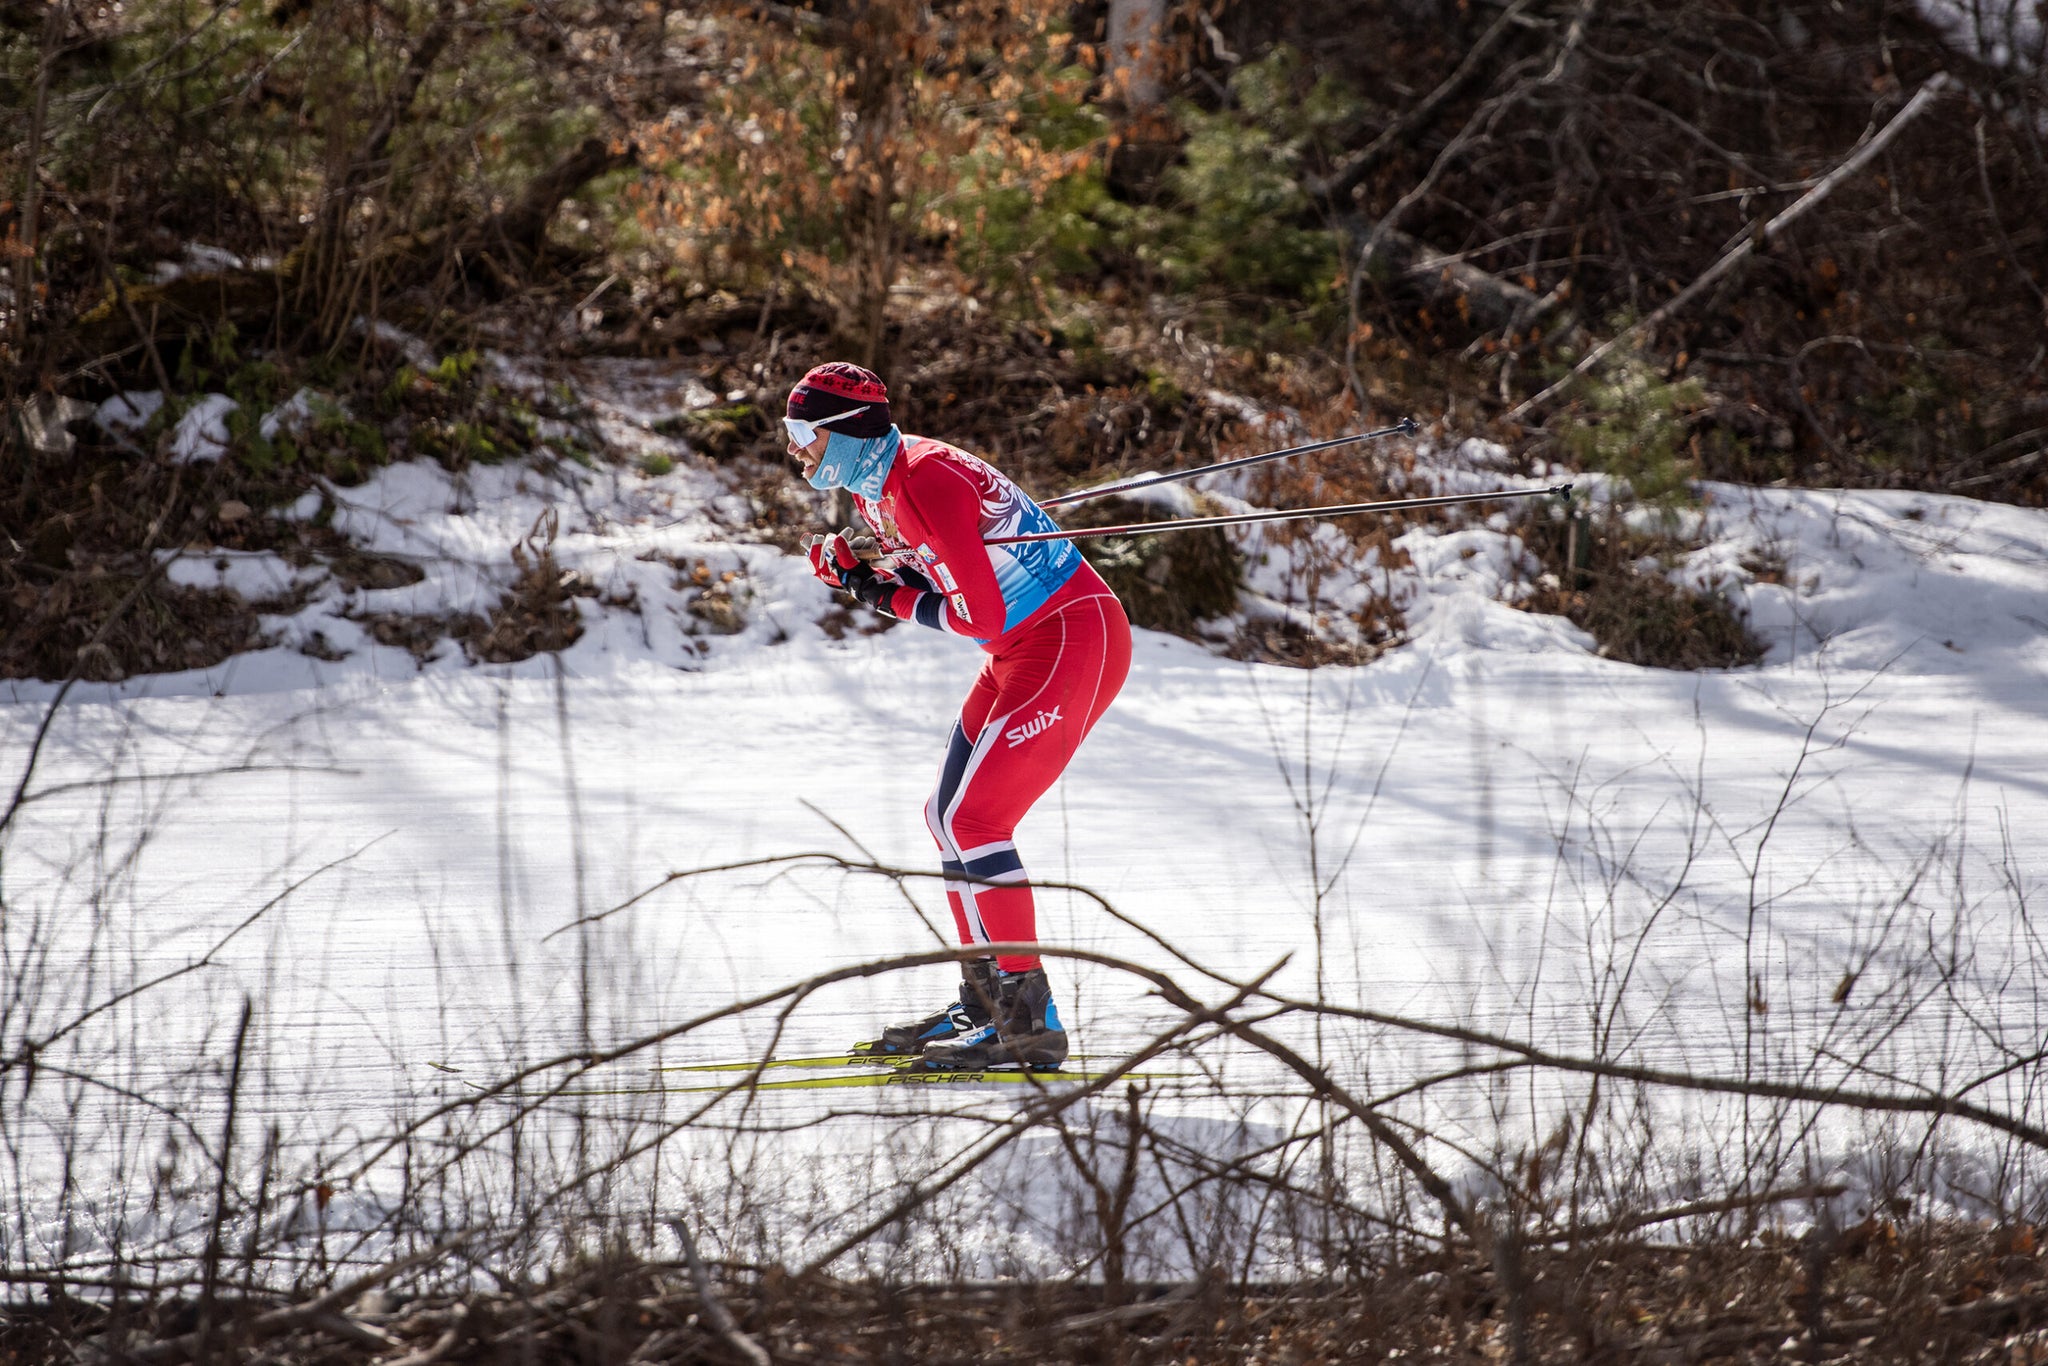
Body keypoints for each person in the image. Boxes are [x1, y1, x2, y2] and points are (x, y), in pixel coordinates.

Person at [785, 362, 1132, 1071]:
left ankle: (1030, 1025)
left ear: (846, 431)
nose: (794, 449)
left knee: (977, 821)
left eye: (801, 432)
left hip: (1068, 638)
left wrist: (872, 592)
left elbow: (980, 611)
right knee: (946, 815)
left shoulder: (924, 479)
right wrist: (866, 574)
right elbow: (944, 577)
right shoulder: (877, 485)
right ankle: (987, 1000)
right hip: (1021, 648)